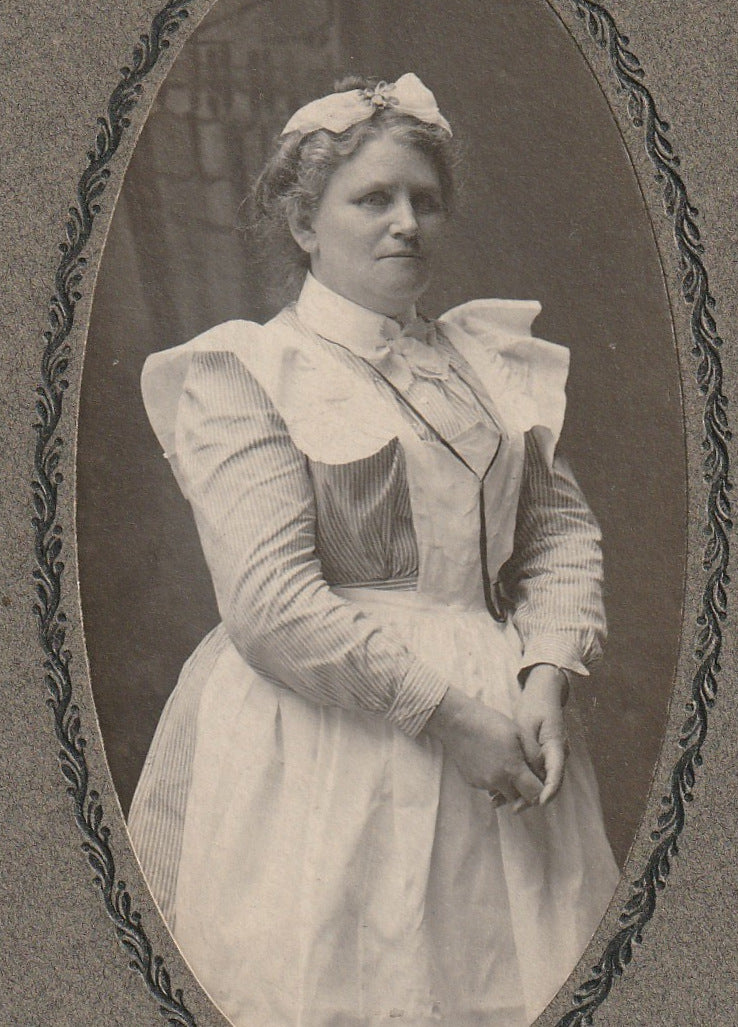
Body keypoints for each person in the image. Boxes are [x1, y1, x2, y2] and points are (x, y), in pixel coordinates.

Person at [128, 73, 619, 1027]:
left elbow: (559, 532)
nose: (406, 223)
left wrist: (548, 670)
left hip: (507, 731)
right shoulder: (251, 371)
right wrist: (450, 715)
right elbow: (271, 601)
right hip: (329, 735)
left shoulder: (484, 361)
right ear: (304, 224)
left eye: (424, 201)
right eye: (373, 199)